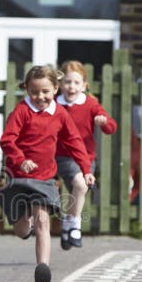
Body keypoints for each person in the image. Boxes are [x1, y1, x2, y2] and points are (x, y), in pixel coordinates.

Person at [0, 65, 94, 282]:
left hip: (44, 177)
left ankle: (43, 270)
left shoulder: (60, 113)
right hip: (19, 177)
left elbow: (74, 142)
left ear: (55, 89)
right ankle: (24, 224)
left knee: (43, 220)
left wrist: (85, 169)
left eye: (45, 92)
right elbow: (7, 140)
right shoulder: (21, 111)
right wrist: (20, 160)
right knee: (22, 229)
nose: (40, 97)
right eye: (34, 92)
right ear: (27, 91)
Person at [55, 60, 117, 249]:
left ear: (84, 85)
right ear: (60, 85)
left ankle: (67, 225)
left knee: (80, 190)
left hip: (87, 158)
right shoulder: (55, 104)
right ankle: (75, 226)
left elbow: (111, 128)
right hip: (63, 155)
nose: (71, 87)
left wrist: (103, 121)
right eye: (67, 82)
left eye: (76, 83)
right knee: (80, 186)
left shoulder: (90, 104)